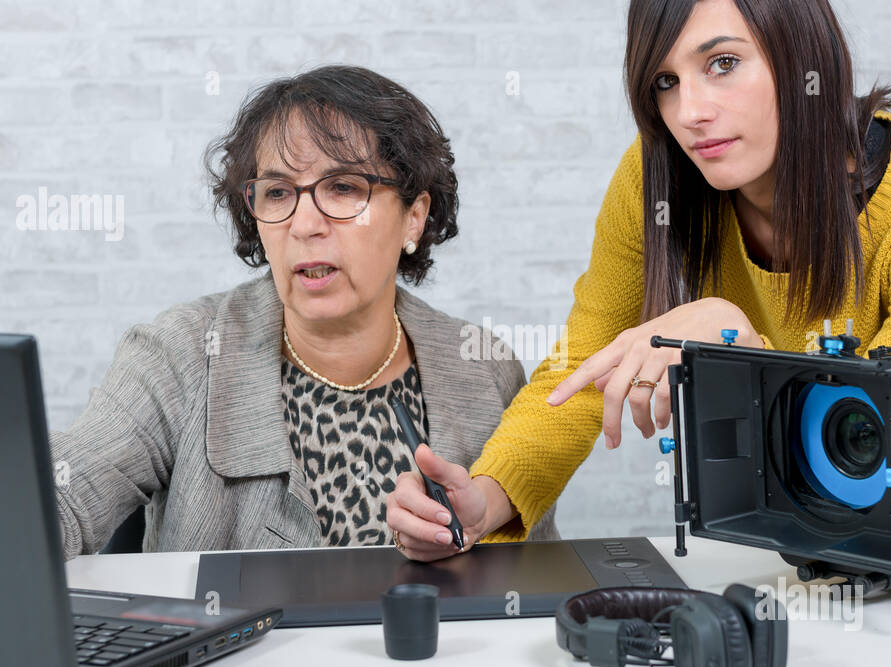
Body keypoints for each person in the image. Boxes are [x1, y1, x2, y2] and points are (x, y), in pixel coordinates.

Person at [385, 0, 891, 557]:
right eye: (664, 82)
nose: (689, 112)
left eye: (722, 64)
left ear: (801, 55)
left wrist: (732, 339)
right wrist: (484, 500)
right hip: (842, 513)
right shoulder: (657, 178)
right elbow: (585, 364)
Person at [51, 65, 558, 559]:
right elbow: (64, 494)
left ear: (414, 217)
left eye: (344, 187)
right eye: (278, 193)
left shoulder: (483, 367)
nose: (305, 224)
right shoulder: (178, 353)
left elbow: (531, 579)